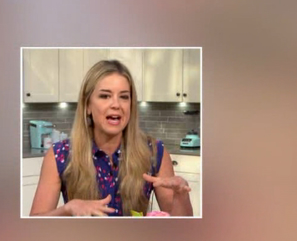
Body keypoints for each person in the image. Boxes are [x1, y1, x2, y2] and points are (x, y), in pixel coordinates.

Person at [29, 59, 193, 216]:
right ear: (87, 106)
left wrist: (181, 196)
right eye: (105, 96)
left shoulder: (154, 152)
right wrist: (66, 210)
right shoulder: (60, 154)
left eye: (124, 96)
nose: (116, 104)